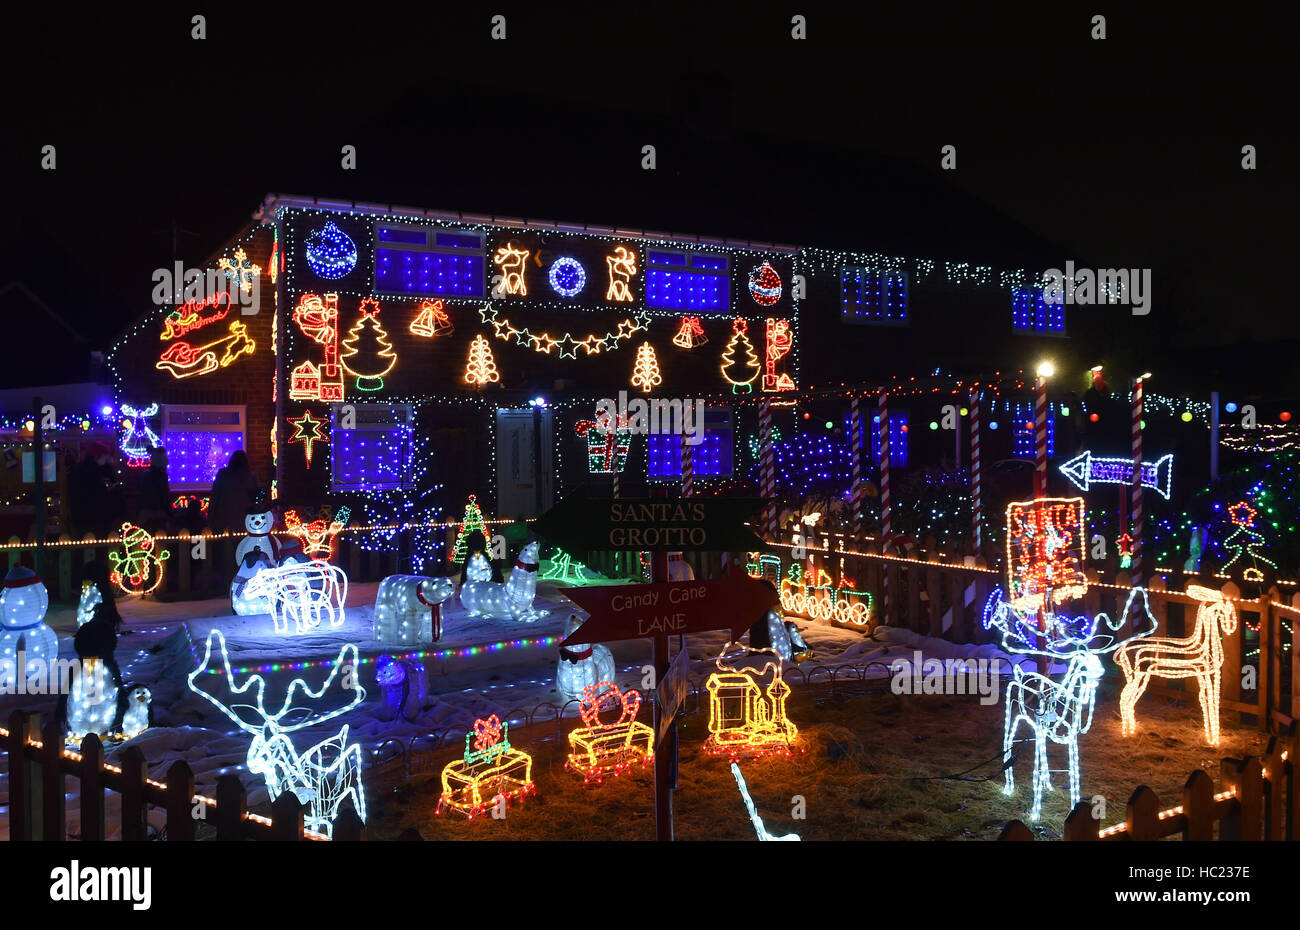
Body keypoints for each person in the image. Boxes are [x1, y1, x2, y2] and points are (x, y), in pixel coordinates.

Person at [67, 442, 125, 633]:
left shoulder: (82, 472)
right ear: (99, 456)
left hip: (85, 520)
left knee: (86, 554)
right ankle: (96, 587)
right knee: (96, 555)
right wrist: (111, 494)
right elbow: (97, 498)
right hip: (94, 520)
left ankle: (84, 585)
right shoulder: (93, 475)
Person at [209, 450, 259, 533]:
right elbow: (257, 502)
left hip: (223, 520)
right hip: (245, 522)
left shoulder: (223, 474)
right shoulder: (252, 477)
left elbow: (214, 498)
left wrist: (211, 519)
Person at [137, 446, 170, 533]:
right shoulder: (161, 476)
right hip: (157, 513)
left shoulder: (145, 475)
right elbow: (163, 495)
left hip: (146, 513)